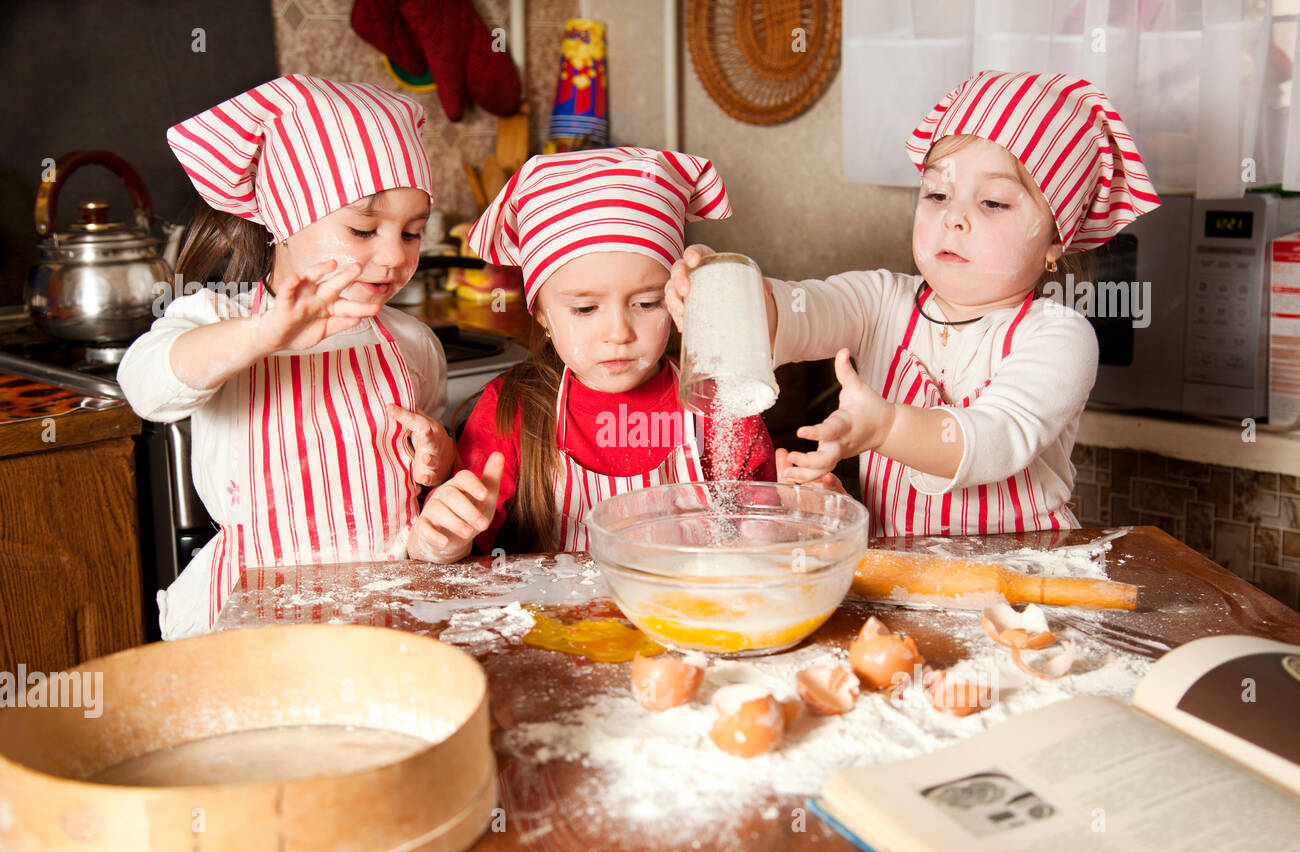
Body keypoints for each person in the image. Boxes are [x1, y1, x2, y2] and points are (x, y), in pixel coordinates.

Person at [668, 71, 1160, 536]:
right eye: (937, 194)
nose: (954, 219)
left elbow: (994, 439)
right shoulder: (882, 300)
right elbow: (801, 311)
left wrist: (886, 427)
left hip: (1027, 586)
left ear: (1055, 239)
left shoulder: (1059, 337)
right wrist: (726, 291)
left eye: (992, 202)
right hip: (905, 587)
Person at [119, 75, 455, 639]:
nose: (394, 256)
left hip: (387, 609)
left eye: (413, 233)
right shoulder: (218, 322)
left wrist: (437, 461)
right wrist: (262, 336)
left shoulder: (412, 344)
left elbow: (429, 474)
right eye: (363, 228)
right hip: (251, 617)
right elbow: (145, 386)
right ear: (284, 219)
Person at [415, 147, 777, 560]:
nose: (618, 333)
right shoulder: (512, 411)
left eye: (646, 304)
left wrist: (798, 510)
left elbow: (760, 547)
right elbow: (454, 555)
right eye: (585, 309)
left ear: (680, 299)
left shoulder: (719, 409)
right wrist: (444, 540)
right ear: (542, 314)